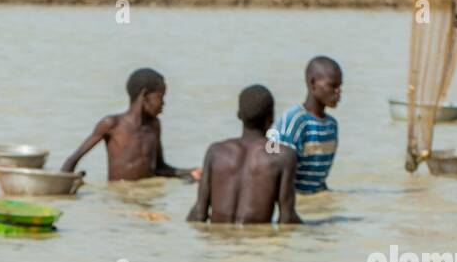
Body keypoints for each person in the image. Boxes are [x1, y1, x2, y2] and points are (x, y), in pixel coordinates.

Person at [189, 85, 301, 224]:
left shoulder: (215, 152)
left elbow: (199, 213)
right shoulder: (283, 156)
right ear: (271, 117)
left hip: (218, 241)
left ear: (239, 115)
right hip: (254, 243)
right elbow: (287, 218)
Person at [60, 68, 199, 181]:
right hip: (119, 198)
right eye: (160, 97)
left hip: (147, 198)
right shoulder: (112, 124)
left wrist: (190, 172)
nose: (163, 103)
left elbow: (160, 168)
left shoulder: (154, 126)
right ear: (145, 95)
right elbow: (73, 160)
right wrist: (60, 188)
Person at [273, 56, 342, 193]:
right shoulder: (295, 121)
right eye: (333, 86)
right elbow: (277, 171)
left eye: (340, 86)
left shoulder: (331, 126)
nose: (338, 92)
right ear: (313, 83)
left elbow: (318, 179)